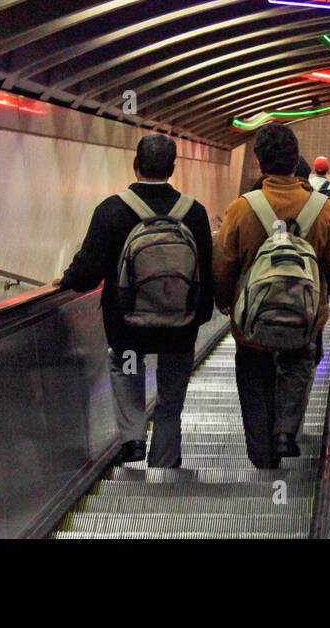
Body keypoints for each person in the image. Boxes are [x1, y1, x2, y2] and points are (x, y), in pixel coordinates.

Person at [213, 124, 330, 469]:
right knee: (297, 367)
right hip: (304, 318)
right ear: (295, 160)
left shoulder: (242, 208)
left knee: (254, 379)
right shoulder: (323, 208)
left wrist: (223, 297)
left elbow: (224, 260)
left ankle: (261, 454)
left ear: (259, 163)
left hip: (253, 321)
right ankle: (286, 431)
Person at [59, 134, 214, 468]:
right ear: (173, 168)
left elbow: (87, 271)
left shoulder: (111, 210)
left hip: (127, 325)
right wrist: (199, 315)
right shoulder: (195, 213)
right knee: (171, 397)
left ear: (135, 163)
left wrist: (67, 281)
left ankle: (132, 439)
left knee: (125, 366)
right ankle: (164, 460)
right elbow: (206, 272)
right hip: (179, 327)